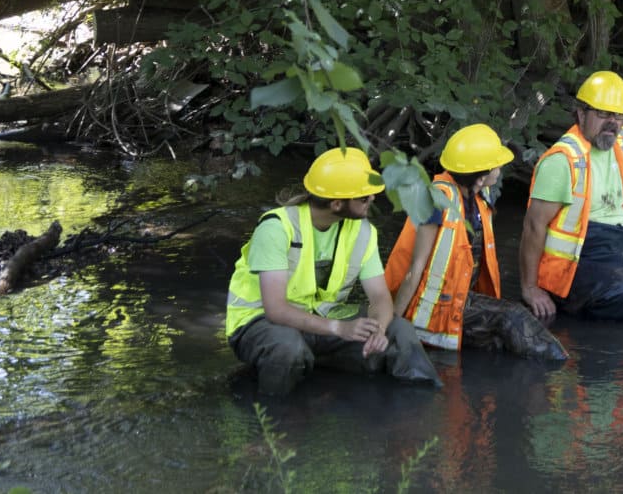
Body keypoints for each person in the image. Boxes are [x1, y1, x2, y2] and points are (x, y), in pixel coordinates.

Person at [224, 147, 440, 395]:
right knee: (288, 349)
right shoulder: (276, 228)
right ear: (336, 204)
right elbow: (275, 310)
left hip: (322, 319)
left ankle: (422, 409)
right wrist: (339, 329)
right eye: (363, 197)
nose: (372, 199)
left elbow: (380, 298)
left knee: (399, 330)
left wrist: (379, 329)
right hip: (261, 323)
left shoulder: (363, 232)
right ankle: (273, 421)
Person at [384, 124, 565, 359]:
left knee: (505, 339)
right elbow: (414, 269)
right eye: (497, 164)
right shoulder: (437, 200)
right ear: (481, 175)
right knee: (513, 316)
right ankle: (561, 374)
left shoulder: (477, 197)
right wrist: (393, 325)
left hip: (458, 299)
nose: (501, 167)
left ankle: (556, 368)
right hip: (430, 310)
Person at [520, 71, 623, 322]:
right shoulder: (562, 160)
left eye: (618, 116)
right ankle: (576, 312)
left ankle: (614, 292)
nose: (612, 122)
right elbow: (533, 226)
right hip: (575, 258)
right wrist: (530, 288)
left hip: (617, 249)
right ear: (581, 114)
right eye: (603, 114)